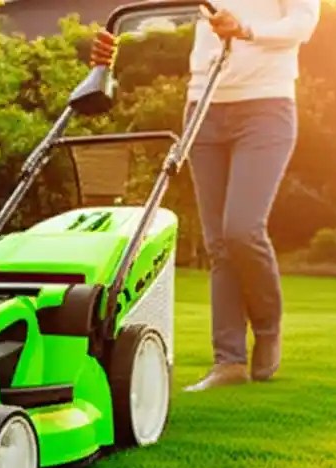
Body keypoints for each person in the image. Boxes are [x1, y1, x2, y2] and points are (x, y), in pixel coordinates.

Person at [91, 1, 320, 391]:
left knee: (242, 229)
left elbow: (303, 23)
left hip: (266, 106)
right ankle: (228, 360)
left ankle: (267, 326)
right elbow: (171, 13)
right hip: (204, 104)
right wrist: (115, 43)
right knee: (219, 245)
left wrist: (245, 29)